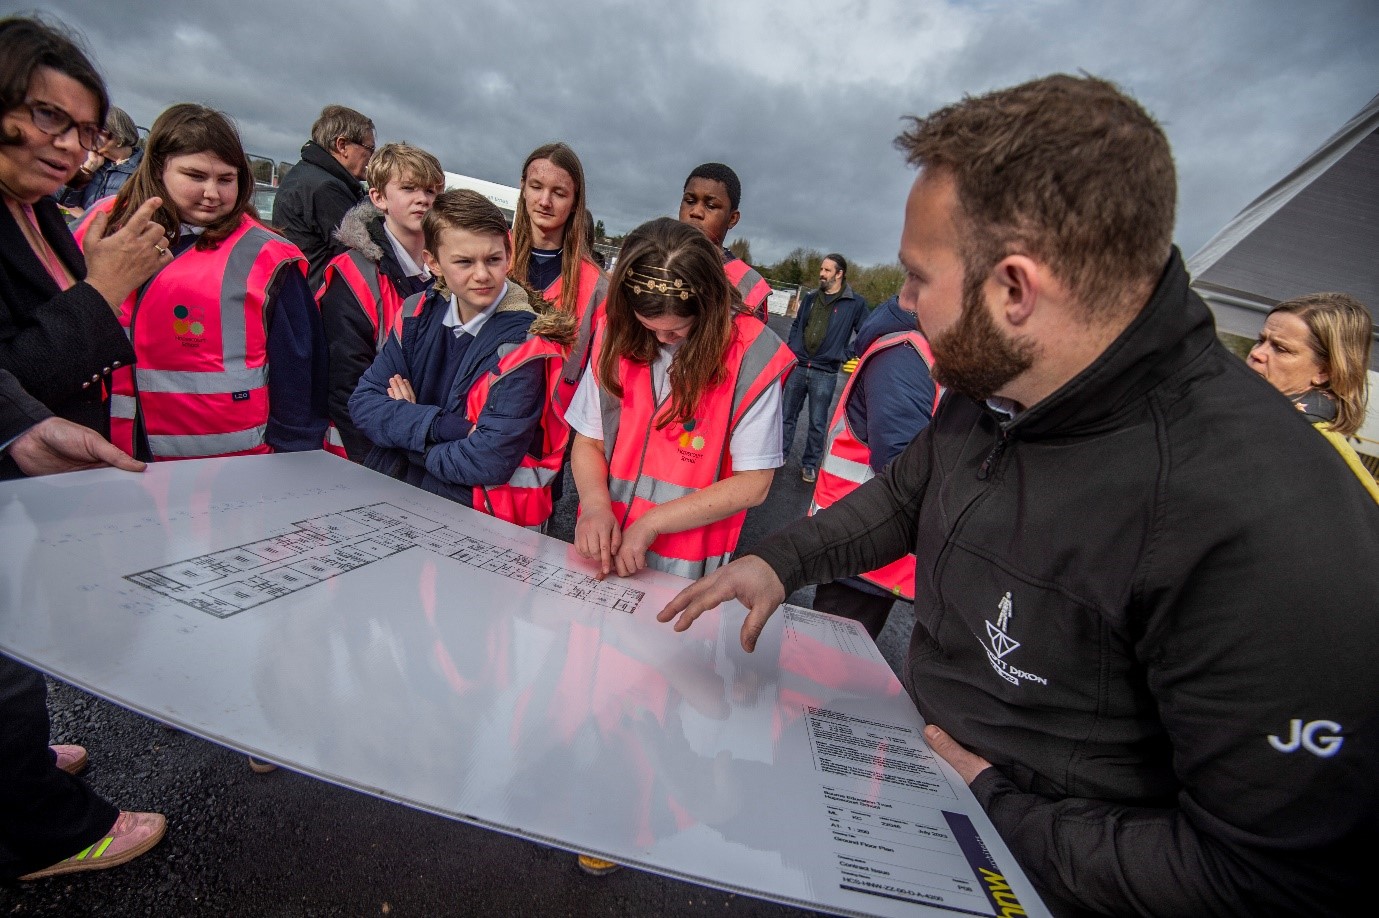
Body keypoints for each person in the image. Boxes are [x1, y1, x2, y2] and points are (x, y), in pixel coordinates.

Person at [660, 75, 1379, 916]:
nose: (902, 302)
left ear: (1014, 290)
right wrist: (778, 561)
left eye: (920, 278)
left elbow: (1264, 877)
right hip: (931, 811)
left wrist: (997, 806)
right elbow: (906, 492)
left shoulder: (1264, 522)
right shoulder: (998, 375)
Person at [0, 14, 166, 883]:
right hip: (17, 464)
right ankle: (42, 831)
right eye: (47, 117)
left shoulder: (32, 209)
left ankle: (17, 764)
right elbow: (20, 361)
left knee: (18, 643)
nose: (71, 145)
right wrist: (105, 292)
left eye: (86, 128)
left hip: (32, 473)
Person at [75, 103, 328, 461]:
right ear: (159, 168)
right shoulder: (98, 228)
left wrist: (294, 454)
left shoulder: (266, 255)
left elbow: (299, 370)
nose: (212, 193)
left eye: (226, 179)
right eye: (195, 176)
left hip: (229, 467)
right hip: (102, 452)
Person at [568, 216, 794, 582]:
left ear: (708, 306)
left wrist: (653, 523)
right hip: (604, 552)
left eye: (675, 329)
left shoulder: (753, 354)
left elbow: (754, 483)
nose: (661, 339)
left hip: (685, 570)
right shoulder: (616, 331)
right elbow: (589, 440)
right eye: (648, 325)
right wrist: (595, 505)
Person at [349, 189, 574, 528]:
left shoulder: (527, 345)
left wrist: (408, 433)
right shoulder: (415, 313)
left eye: (493, 259)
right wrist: (443, 426)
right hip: (395, 500)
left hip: (475, 522)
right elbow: (364, 405)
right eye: (465, 262)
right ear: (433, 262)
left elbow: (488, 459)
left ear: (509, 253)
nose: (482, 274)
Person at [808, 293, 940, 639]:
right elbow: (902, 464)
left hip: (869, 539)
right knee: (827, 670)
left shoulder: (917, 351)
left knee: (835, 666)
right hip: (862, 543)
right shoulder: (907, 357)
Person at [318, 143, 444, 460]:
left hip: (423, 447)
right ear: (378, 198)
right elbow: (345, 384)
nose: (423, 199)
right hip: (364, 452)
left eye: (431, 190)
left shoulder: (449, 272)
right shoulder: (353, 274)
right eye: (408, 188)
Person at [1247, 291, 1378, 500]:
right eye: (1260, 340)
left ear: (1325, 372)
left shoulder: (1323, 458)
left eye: (1281, 349)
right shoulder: (1257, 423)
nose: (1257, 353)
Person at [507, 142, 607, 414]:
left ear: (575, 201)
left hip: (549, 437)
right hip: (476, 422)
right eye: (536, 186)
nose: (544, 201)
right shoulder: (490, 255)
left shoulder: (597, 287)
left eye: (559, 193)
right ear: (523, 187)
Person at [781, 254, 867, 482]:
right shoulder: (810, 298)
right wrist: (793, 347)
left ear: (840, 274)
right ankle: (780, 455)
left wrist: (844, 355)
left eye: (828, 270)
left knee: (817, 423)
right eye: (821, 269)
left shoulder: (855, 304)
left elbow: (866, 333)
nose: (822, 273)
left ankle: (809, 464)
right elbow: (799, 324)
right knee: (787, 416)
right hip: (799, 367)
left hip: (825, 373)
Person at [271, 104, 373, 290]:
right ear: (342, 145)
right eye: (369, 149)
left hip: (302, 288)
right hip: (320, 297)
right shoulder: (325, 188)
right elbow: (361, 253)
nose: (371, 158)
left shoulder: (306, 175)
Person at [677, 162, 772, 321]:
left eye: (710, 205)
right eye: (690, 201)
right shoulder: (651, 259)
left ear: (732, 219)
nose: (696, 212)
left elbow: (749, 344)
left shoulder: (748, 285)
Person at [57, 105, 141, 216]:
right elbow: (62, 203)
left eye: (97, 131)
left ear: (119, 137)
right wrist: (86, 170)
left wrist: (87, 218)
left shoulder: (143, 171)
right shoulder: (88, 160)